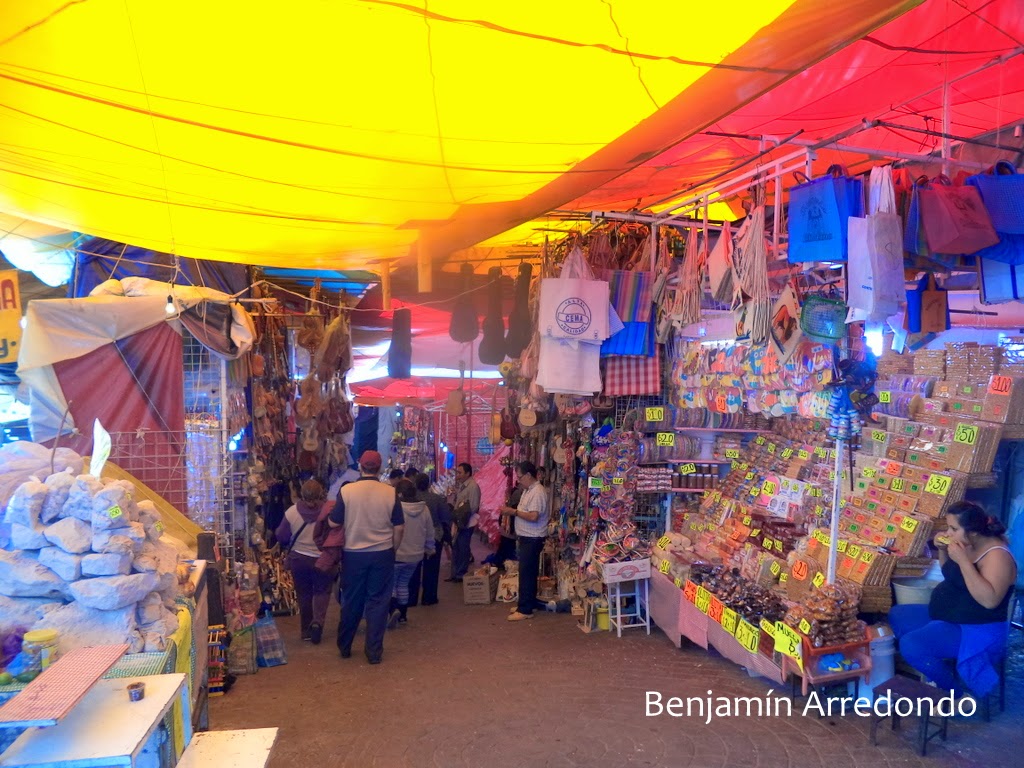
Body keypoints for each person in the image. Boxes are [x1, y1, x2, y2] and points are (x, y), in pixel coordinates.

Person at [889, 501, 1017, 698]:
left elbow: (989, 601)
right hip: (950, 616)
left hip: (976, 629)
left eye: (953, 529)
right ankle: (936, 663)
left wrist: (963, 560)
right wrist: (942, 550)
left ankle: (955, 694)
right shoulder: (967, 543)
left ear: (973, 532)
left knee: (910, 645)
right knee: (898, 614)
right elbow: (950, 574)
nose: (948, 533)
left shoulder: (998, 557)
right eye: (948, 527)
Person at [328, 450, 404, 665]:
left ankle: (344, 646)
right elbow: (399, 527)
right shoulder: (390, 493)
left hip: (353, 555)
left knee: (352, 600)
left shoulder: (348, 491)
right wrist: (393, 549)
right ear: (379, 469)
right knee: (378, 602)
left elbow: (334, 523)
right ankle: (373, 652)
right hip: (382, 554)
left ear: (360, 466)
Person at [275, 479, 333, 644]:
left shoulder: (292, 512)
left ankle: (306, 629)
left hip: (299, 559)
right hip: (323, 558)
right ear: (321, 493)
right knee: (322, 591)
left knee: (304, 594)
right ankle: (318, 624)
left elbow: (281, 536)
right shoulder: (328, 511)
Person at [499, 461, 550, 621]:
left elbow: (534, 516)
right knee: (527, 572)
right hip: (526, 537)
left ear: (528, 475)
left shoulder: (538, 492)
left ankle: (525, 609)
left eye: (520, 477)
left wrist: (513, 512)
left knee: (527, 573)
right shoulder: (528, 490)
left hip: (533, 538)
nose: (519, 480)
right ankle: (528, 602)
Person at [389, 480, 435, 627]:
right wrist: (430, 548)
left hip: (398, 553)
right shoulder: (424, 509)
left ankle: (393, 610)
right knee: (403, 584)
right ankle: (403, 615)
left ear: (399, 493)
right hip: (416, 555)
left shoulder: (396, 508)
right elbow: (429, 531)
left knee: (392, 584)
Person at [407, 473, 451, 606]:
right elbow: (445, 517)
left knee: (413, 568)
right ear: (428, 484)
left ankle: (411, 598)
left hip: (415, 536)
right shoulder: (436, 499)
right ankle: (429, 597)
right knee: (431, 568)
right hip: (434, 536)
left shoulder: (411, 499)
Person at [447, 462, 480, 583]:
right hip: (459, 521)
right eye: (457, 473)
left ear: (468, 473)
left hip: (466, 522)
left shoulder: (473, 487)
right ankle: (455, 573)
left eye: (460, 473)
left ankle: (461, 573)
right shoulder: (463, 485)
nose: (458, 475)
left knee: (463, 547)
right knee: (457, 546)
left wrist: (462, 516)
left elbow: (474, 506)